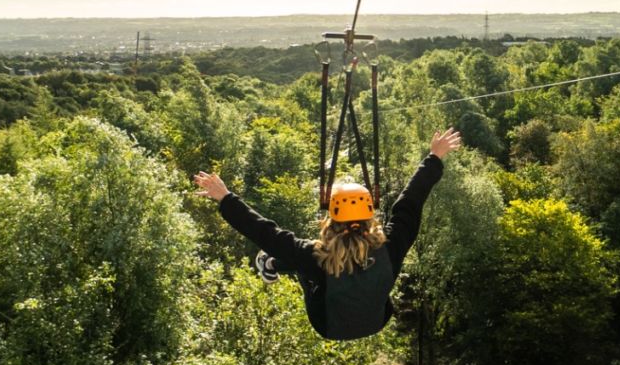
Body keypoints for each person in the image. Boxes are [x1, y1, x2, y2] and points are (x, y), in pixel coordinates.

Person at [194, 128, 463, 341]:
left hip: (327, 325)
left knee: (300, 260)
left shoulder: (316, 256)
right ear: (369, 215)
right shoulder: (392, 246)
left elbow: (267, 233)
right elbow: (410, 203)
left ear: (332, 218)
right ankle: (273, 262)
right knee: (305, 258)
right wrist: (434, 157)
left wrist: (225, 198)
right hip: (376, 320)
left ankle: (272, 264)